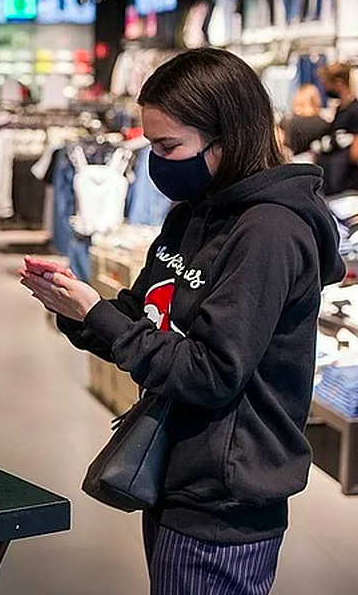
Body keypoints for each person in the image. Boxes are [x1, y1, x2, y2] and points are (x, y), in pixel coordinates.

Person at [20, 48, 344, 594]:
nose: (158, 162)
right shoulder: (193, 214)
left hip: (226, 494)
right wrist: (77, 308)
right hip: (176, 469)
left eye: (169, 146)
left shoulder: (269, 233)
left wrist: (97, 314)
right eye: (152, 145)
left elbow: (210, 371)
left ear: (228, 136)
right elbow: (147, 317)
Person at [319, 62, 358, 194]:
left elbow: (355, 152)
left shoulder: (354, 110)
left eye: (327, 83)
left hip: (347, 182)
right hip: (334, 179)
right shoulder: (340, 109)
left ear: (339, 83)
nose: (325, 88)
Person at [279, 84, 330, 157]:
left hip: (291, 161)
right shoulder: (324, 124)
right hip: (315, 164)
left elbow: (279, 142)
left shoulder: (286, 122)